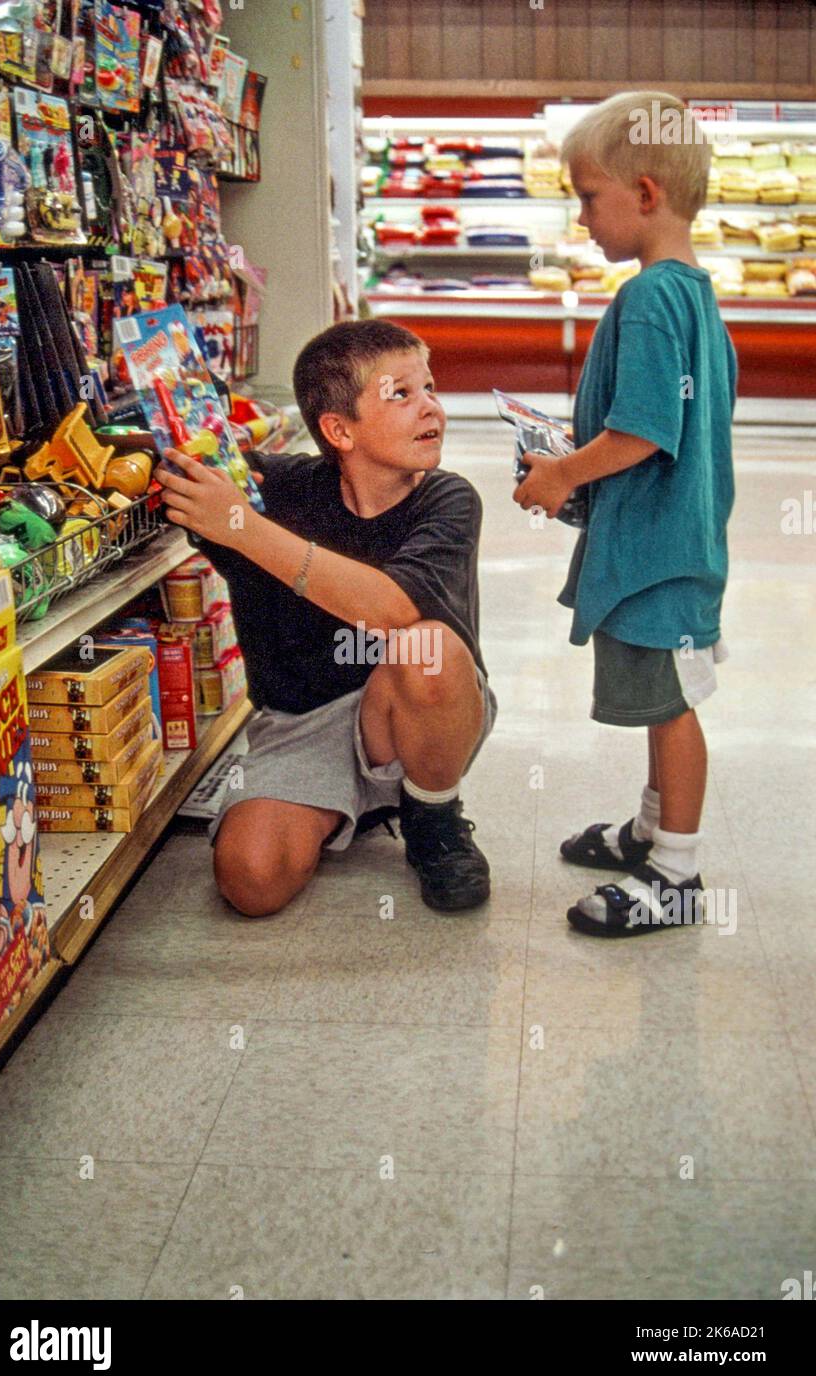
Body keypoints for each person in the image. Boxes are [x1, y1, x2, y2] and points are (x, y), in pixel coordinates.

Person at [155, 319, 497, 916]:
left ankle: (432, 816)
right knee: (250, 881)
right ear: (338, 429)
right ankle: (349, 804)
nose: (431, 408)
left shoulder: (448, 499)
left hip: (413, 709)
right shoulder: (274, 489)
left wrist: (243, 527)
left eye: (430, 388)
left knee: (431, 649)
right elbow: (183, 462)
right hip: (299, 726)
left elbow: (389, 611)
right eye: (402, 394)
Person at [513, 91, 736, 937]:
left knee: (669, 704)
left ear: (645, 193)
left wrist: (564, 474)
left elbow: (644, 429)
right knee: (656, 695)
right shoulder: (692, 295)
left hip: (656, 554)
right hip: (675, 538)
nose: (582, 220)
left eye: (587, 197)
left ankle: (677, 871)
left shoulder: (646, 301)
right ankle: (650, 828)